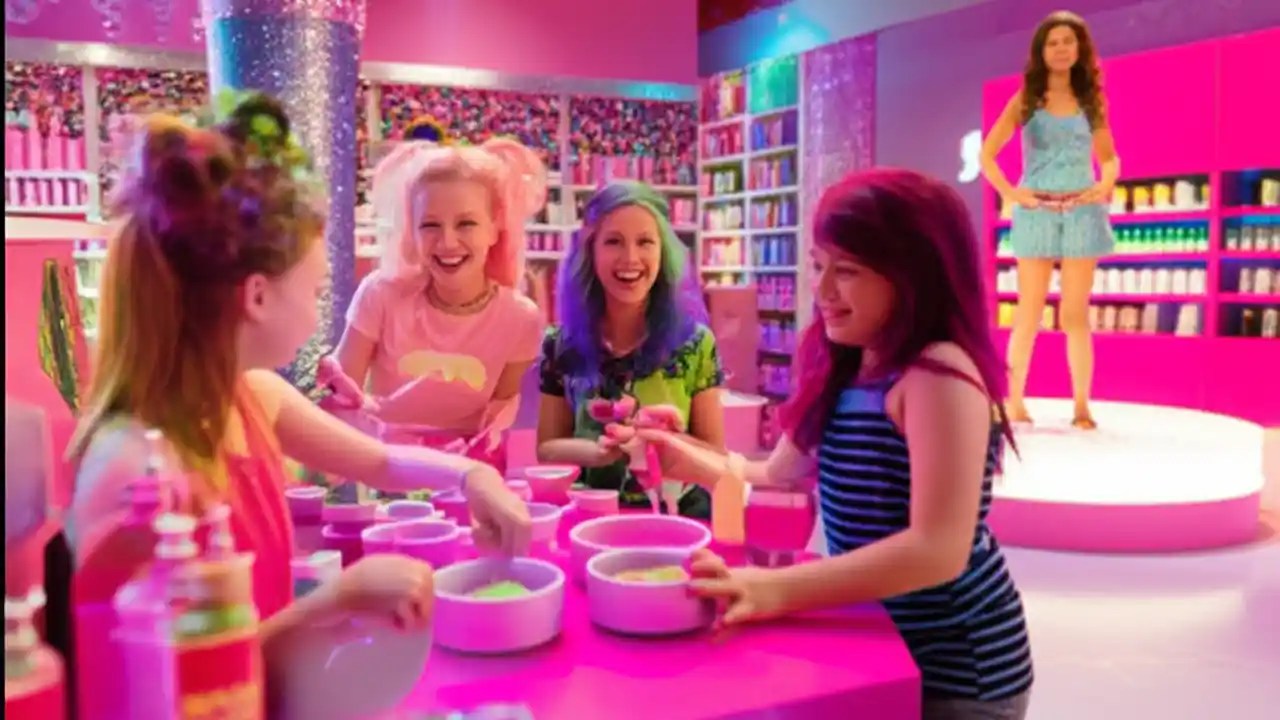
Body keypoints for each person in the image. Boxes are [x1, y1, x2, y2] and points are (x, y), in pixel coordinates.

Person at [64, 93, 531, 710]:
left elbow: (381, 463)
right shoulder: (133, 470)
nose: (320, 311)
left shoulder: (255, 396)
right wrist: (334, 602)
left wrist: (473, 476)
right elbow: (154, 690)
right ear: (257, 296)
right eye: (313, 291)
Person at [630, 169, 1033, 719]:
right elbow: (775, 472)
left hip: (959, 673)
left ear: (914, 276)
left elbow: (939, 550)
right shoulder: (847, 361)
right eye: (819, 267)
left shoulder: (936, 374)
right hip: (880, 642)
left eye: (847, 272)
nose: (822, 292)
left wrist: (774, 590)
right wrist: (682, 453)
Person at [324, 136, 548, 471]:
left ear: (495, 228)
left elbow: (500, 421)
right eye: (430, 225)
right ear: (410, 232)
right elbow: (341, 401)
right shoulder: (380, 294)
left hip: (470, 479)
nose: (447, 242)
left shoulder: (521, 318)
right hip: (383, 471)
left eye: (466, 223)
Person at [537, 181, 724, 518]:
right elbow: (547, 449)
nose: (631, 258)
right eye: (613, 242)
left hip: (682, 518)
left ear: (663, 251)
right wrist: (600, 451)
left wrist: (661, 442)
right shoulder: (558, 345)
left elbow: (716, 455)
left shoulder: (697, 343)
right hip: (592, 516)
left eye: (645, 242)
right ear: (590, 252)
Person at [981, 10, 1118, 429]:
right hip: (1036, 208)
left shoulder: (1091, 102)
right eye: (1053, 42)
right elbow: (987, 155)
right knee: (1029, 311)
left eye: (1068, 41)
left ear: (1080, 49)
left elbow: (1109, 157)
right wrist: (1011, 193)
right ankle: (1013, 400)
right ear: (1042, 50)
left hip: (1082, 208)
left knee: (1076, 313)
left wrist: (1108, 179)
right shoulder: (1026, 98)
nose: (1061, 49)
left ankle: (1081, 406)